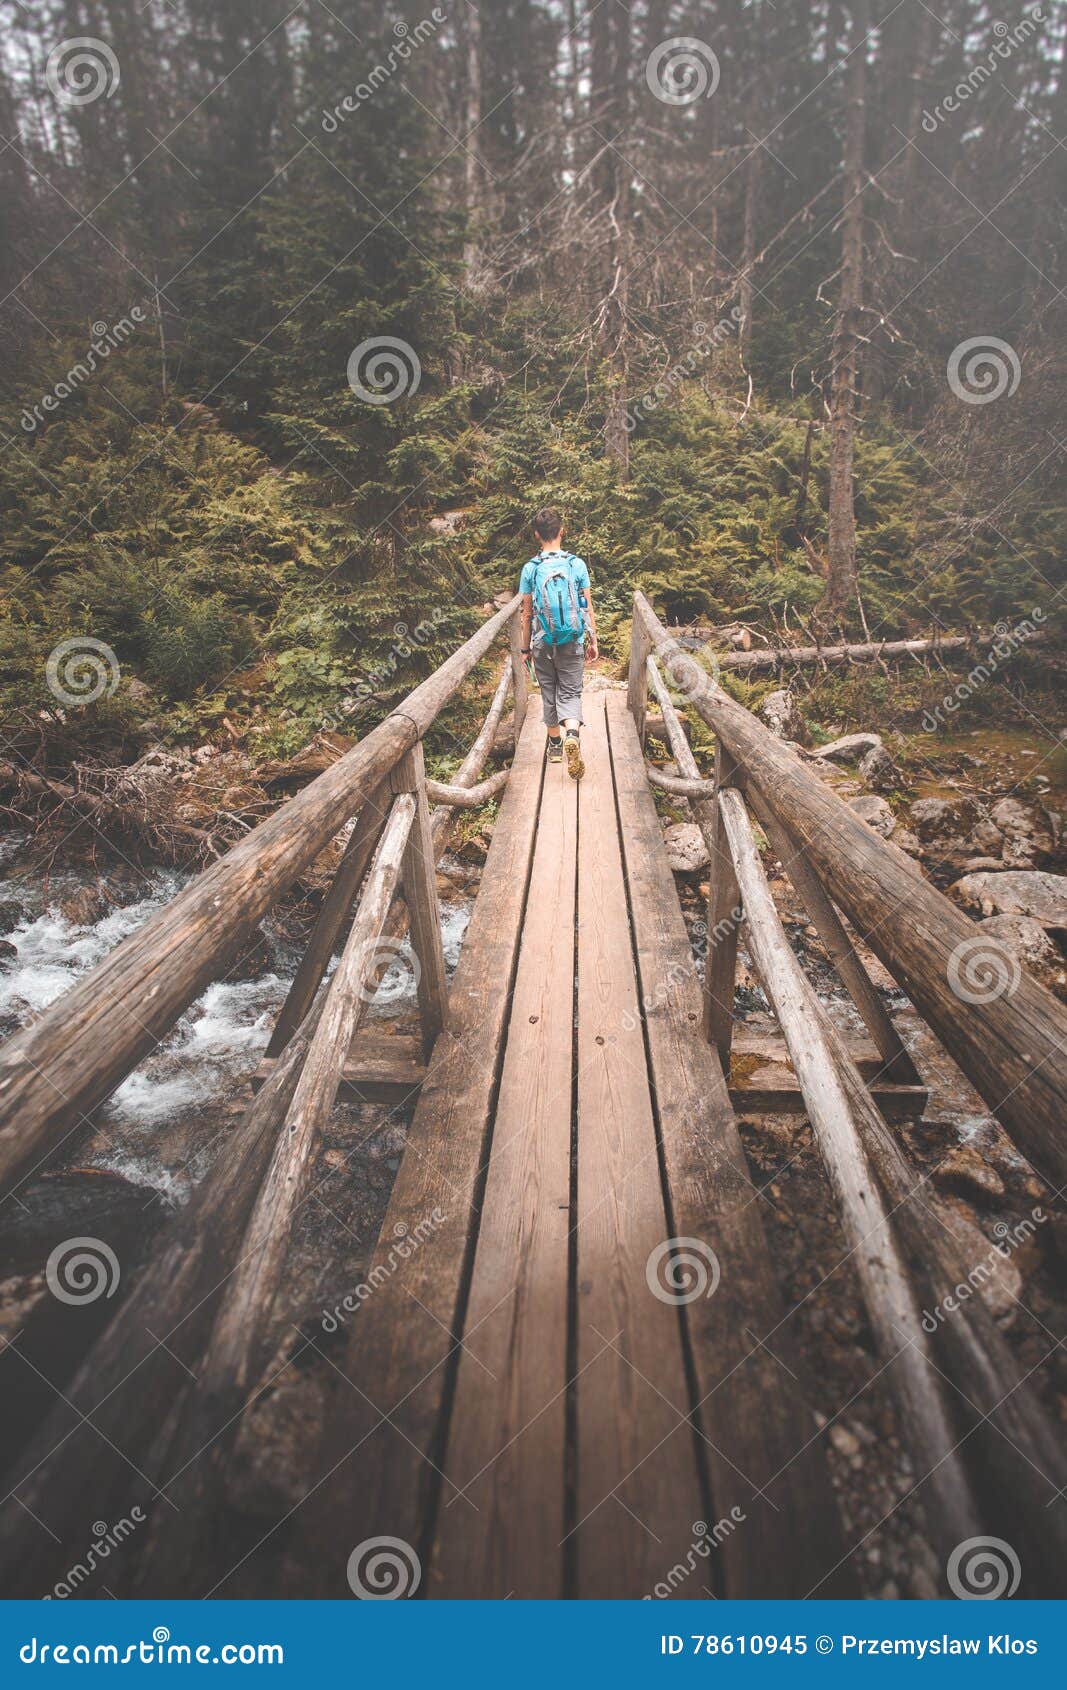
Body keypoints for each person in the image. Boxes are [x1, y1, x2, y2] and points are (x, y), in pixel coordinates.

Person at [519, 507, 599, 779]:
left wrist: (524, 648)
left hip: (542, 640)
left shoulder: (531, 568)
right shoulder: (576, 564)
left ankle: (554, 746)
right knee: (571, 692)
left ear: (536, 535)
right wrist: (593, 639)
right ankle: (572, 733)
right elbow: (587, 606)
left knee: (549, 690)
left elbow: (526, 613)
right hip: (573, 639)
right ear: (561, 531)